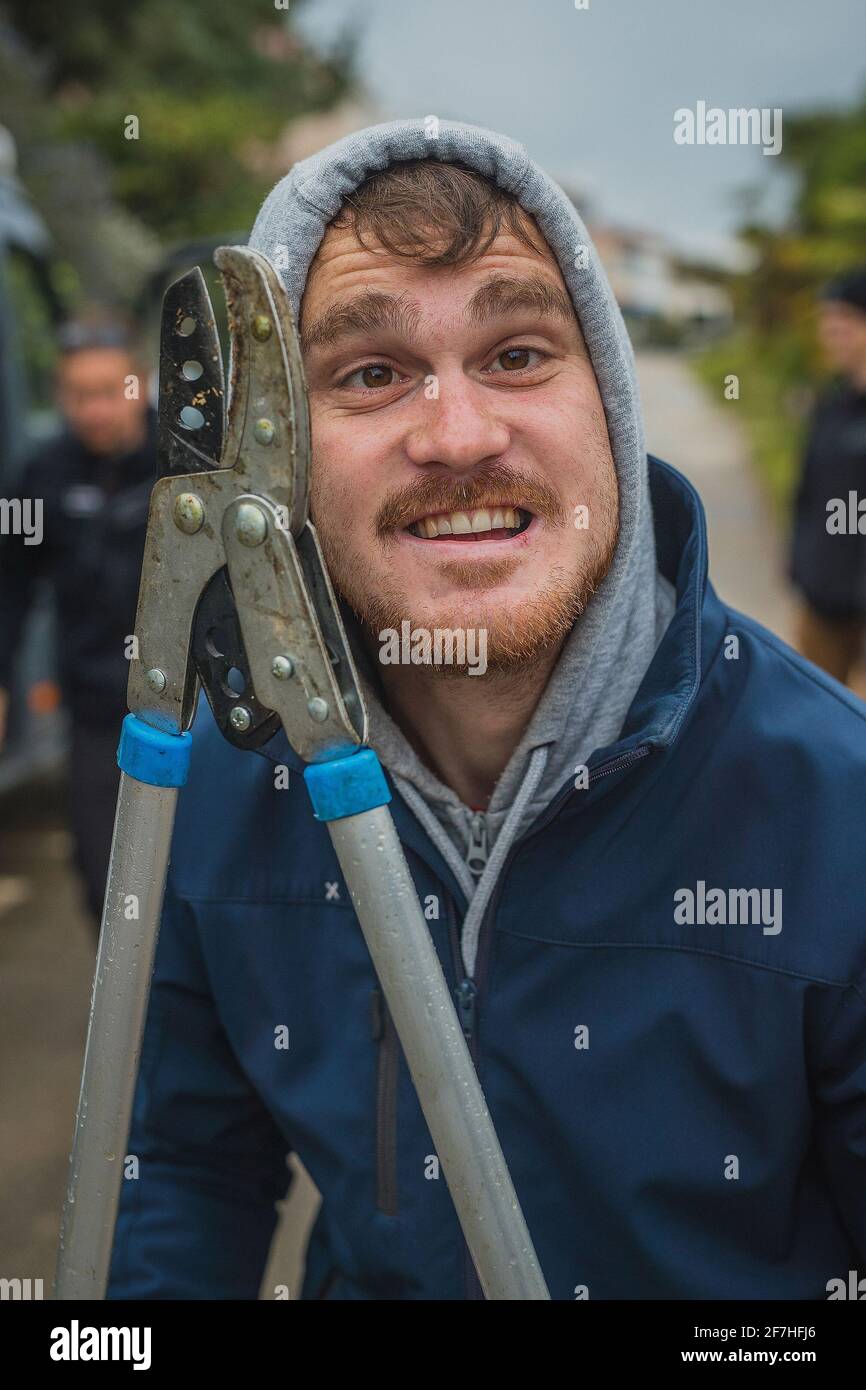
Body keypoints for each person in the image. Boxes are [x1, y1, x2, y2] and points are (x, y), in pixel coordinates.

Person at [107, 120, 866, 1301]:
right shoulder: (213, 786)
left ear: (607, 400)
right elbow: (184, 1170)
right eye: (369, 373)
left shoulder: (835, 807)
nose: (457, 435)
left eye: (516, 355)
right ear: (280, 456)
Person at [0, 319, 155, 929]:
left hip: (197, 709)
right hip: (96, 716)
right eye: (78, 394)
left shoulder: (186, 459)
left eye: (109, 390)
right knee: (107, 885)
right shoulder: (40, 476)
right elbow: (9, 579)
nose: (94, 410)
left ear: (140, 385)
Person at [791, 268, 866, 685]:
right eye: (827, 321)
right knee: (820, 713)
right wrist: (799, 564)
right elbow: (807, 491)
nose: (831, 331)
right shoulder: (831, 405)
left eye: (844, 320)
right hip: (822, 599)